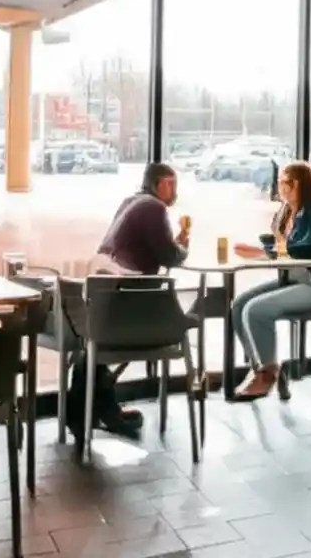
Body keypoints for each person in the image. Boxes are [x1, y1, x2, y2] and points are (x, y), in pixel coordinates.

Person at [66, 163, 190, 442]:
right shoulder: (154, 208)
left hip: (105, 301)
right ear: (163, 184)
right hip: (128, 305)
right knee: (182, 315)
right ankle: (99, 412)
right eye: (172, 184)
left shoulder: (130, 202)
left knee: (93, 348)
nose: (175, 191)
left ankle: (93, 412)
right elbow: (170, 257)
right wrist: (184, 245)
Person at [231, 161, 311, 401]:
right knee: (239, 305)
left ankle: (267, 373)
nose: (282, 187)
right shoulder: (289, 213)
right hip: (296, 281)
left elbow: (308, 248)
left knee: (256, 310)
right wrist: (271, 243)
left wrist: (265, 250)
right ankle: (265, 369)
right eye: (281, 182)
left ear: (301, 185)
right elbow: (283, 246)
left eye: (287, 182)